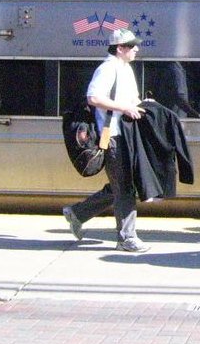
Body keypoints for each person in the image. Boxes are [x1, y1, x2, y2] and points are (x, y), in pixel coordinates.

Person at [62, 28, 149, 252]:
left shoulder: (125, 69)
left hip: (125, 135)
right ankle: (126, 238)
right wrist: (125, 108)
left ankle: (78, 213)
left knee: (124, 184)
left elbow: (129, 100)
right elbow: (93, 97)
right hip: (111, 137)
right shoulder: (108, 68)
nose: (137, 49)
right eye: (132, 46)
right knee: (125, 187)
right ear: (120, 49)